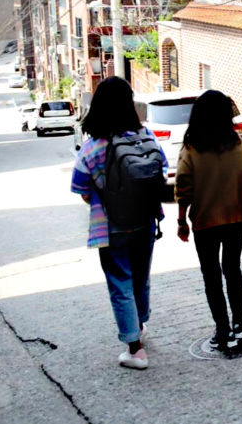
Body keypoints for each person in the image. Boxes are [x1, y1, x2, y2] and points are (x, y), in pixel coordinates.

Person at [71, 76, 165, 370]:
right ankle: (140, 324)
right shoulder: (145, 137)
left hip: (111, 227)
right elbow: (160, 171)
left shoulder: (92, 147)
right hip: (145, 221)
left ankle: (135, 350)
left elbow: (82, 190)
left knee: (119, 282)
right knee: (140, 277)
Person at [176, 90, 242, 353]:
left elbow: (183, 188)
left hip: (205, 222)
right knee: (232, 269)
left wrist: (181, 221)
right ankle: (241, 323)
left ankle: (222, 328)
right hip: (237, 219)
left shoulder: (191, 149)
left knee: (211, 275)